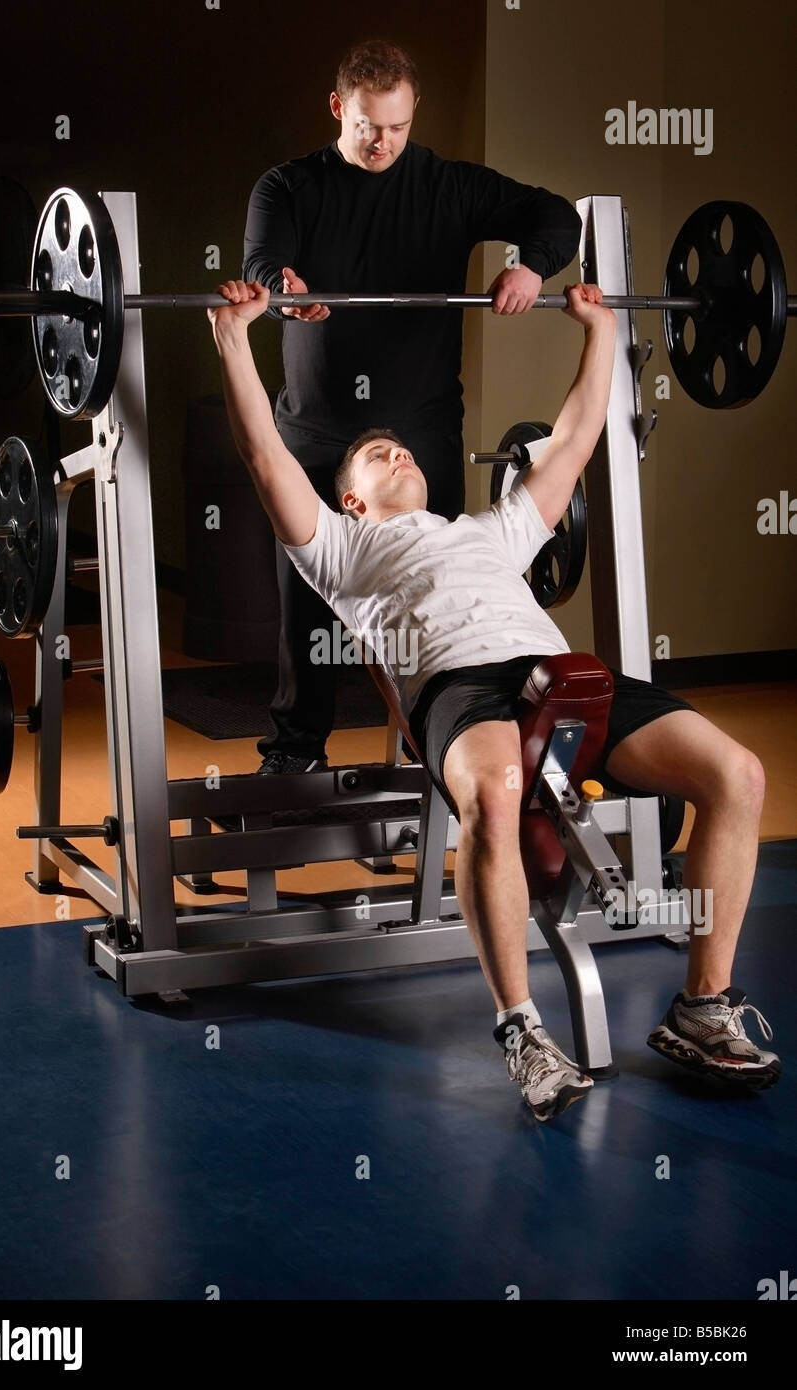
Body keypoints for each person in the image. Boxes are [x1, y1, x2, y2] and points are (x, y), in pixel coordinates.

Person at [206, 277, 781, 1124]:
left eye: (403, 447)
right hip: (458, 688)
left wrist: (599, 329)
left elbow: (577, 440)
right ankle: (521, 1029)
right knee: (499, 792)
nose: (398, 452)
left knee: (738, 773)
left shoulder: (489, 532)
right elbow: (264, 457)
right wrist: (232, 338)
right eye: (377, 455)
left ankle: (703, 1004)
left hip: (560, 678)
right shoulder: (339, 551)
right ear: (351, 498)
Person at [242, 38, 581, 775]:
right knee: (308, 611)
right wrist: (284, 290)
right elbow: (260, 264)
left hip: (419, 434)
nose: (381, 142)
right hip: (316, 425)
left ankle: (428, 752)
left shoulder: (448, 186)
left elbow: (556, 216)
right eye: (367, 125)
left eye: (396, 127)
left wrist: (528, 264)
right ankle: (295, 753)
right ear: (339, 108)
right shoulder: (288, 187)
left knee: (432, 596)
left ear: (413, 112)